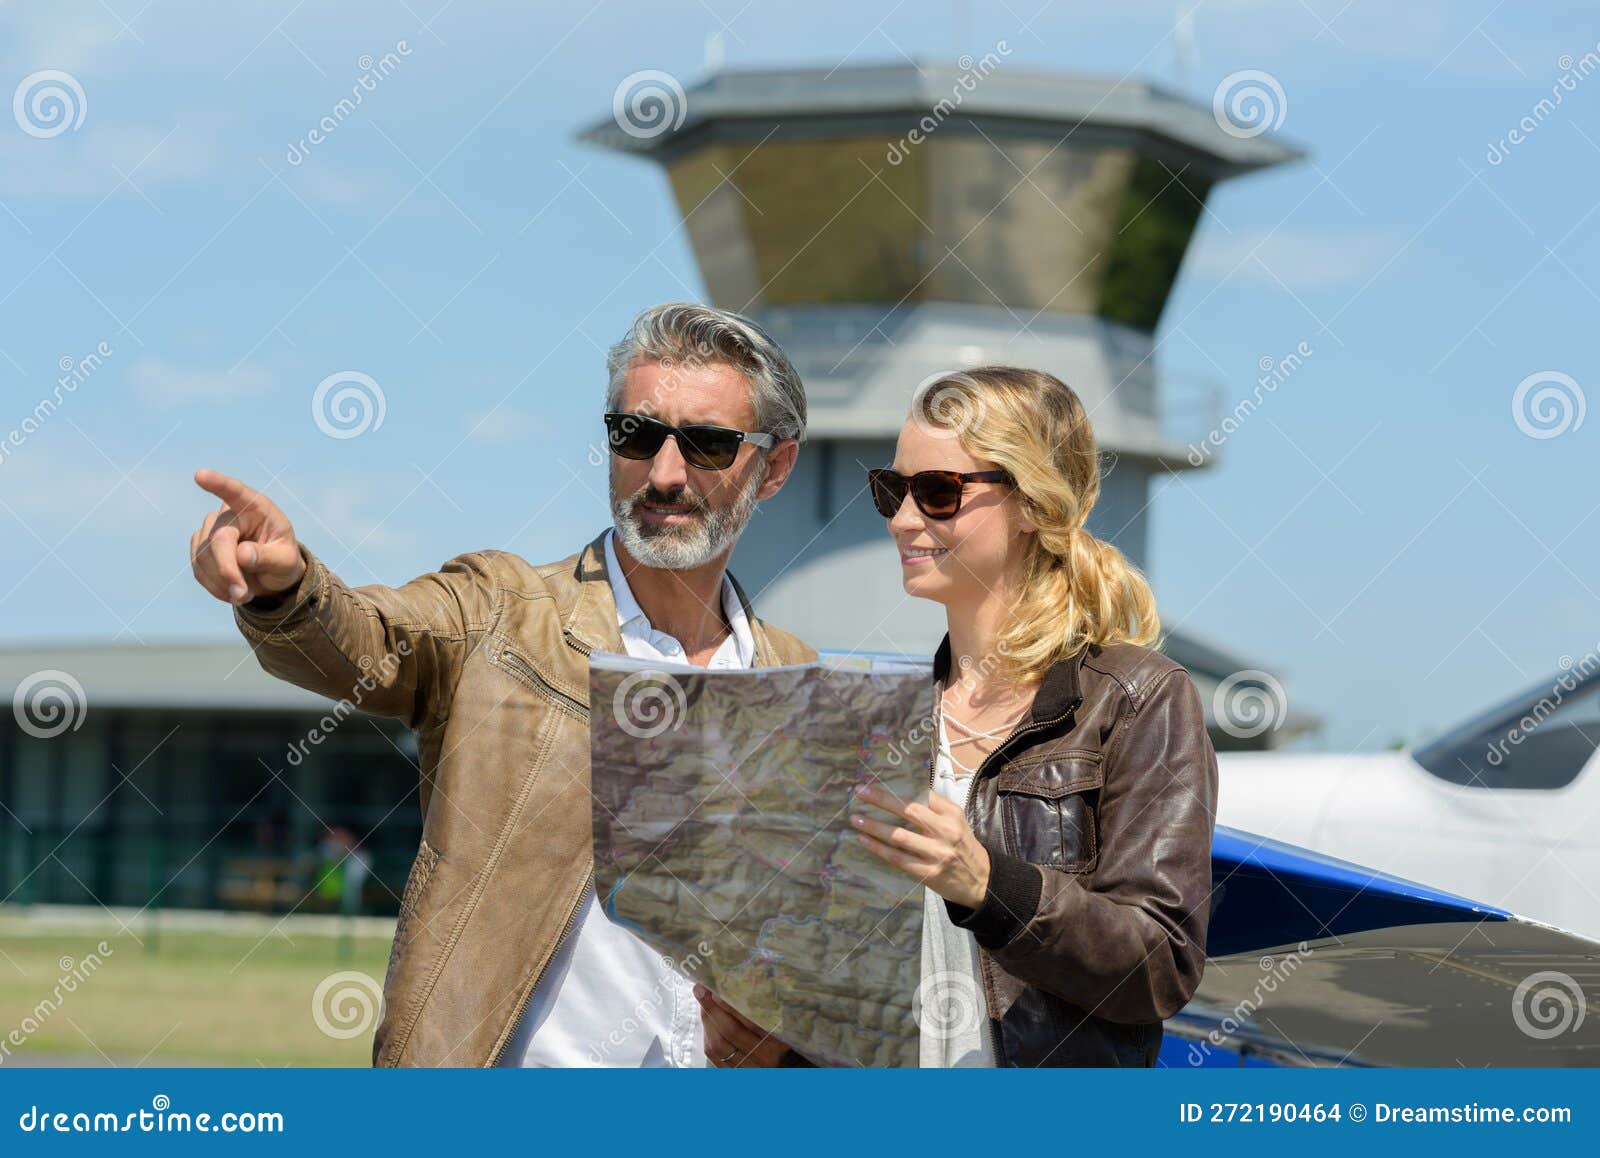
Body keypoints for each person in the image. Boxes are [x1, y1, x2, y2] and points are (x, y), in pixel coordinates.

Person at [188, 302, 816, 1067]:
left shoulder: (800, 681)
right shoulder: (500, 613)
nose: (665, 474)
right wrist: (285, 588)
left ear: (775, 467)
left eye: (710, 444)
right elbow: (363, 641)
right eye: (637, 434)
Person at [707, 366, 1218, 1067]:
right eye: (892, 489)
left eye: (939, 492)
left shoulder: (1136, 699)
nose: (903, 519)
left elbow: (1158, 967)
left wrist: (988, 886)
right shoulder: (877, 718)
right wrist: (776, 1048)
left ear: (1034, 501)